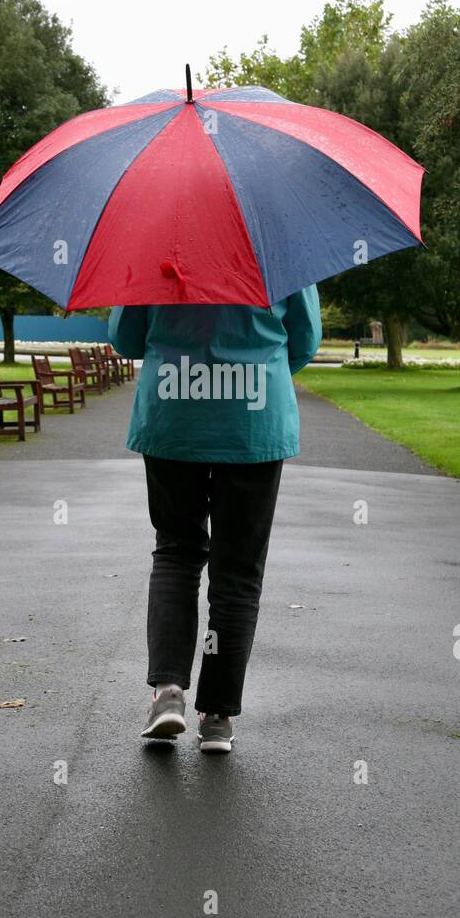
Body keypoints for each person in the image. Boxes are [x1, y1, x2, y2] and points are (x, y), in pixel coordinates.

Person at [109, 288, 322, 754]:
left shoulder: (156, 243)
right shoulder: (276, 246)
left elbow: (125, 339)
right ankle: (218, 717)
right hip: (254, 418)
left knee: (176, 552)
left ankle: (168, 691)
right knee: (238, 572)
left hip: (174, 414)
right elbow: (304, 342)